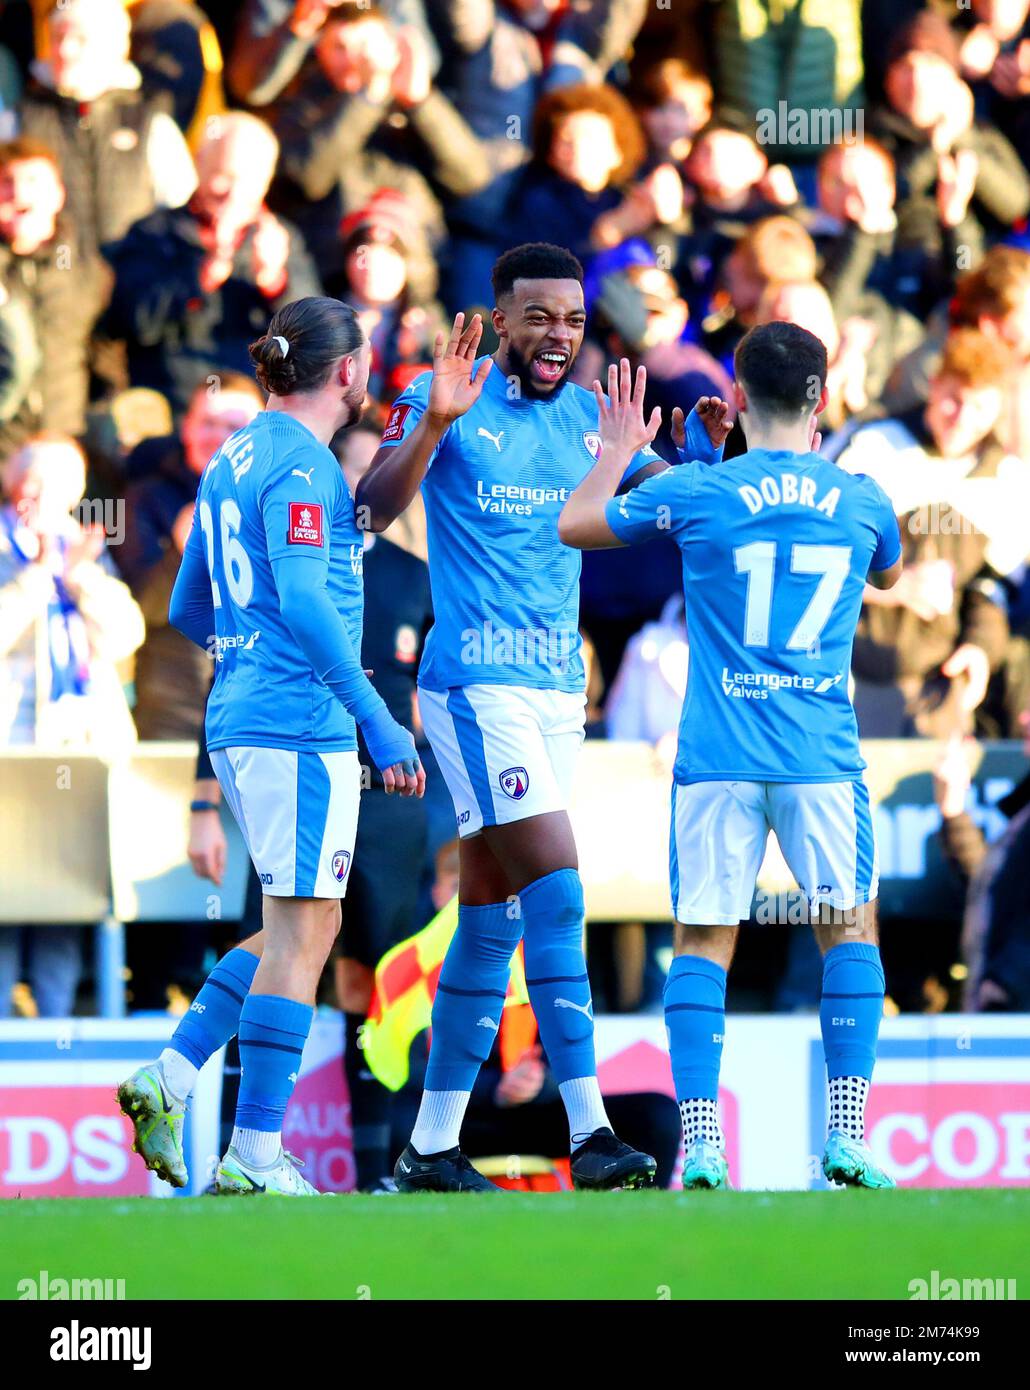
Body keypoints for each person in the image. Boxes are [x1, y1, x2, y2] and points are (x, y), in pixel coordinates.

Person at [356, 240, 719, 1193]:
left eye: (572, 318)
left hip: (560, 694)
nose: (559, 334)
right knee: (559, 895)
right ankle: (594, 1130)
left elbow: (680, 505)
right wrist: (432, 424)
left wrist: (706, 458)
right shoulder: (449, 397)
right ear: (500, 319)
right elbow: (370, 502)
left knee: (492, 922)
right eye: (539, 317)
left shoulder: (594, 425)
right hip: (474, 688)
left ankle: (430, 1148)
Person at [559, 321, 904, 1191]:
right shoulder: (861, 497)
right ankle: (849, 1138)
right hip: (820, 756)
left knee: (703, 942)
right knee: (847, 933)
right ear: (820, 400)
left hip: (717, 755)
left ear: (739, 397)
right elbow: (889, 572)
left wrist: (623, 453)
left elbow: (580, 524)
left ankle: (705, 1143)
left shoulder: (702, 494)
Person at [116, 296, 424, 1197]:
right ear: (345, 373)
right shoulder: (303, 466)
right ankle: (252, 1156)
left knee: (304, 923)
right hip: (299, 725)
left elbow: (186, 610)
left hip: (250, 716)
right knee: (304, 930)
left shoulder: (234, 455)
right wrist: (374, 716)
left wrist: (244, 657)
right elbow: (302, 600)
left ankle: (173, 1079)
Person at [104, 111, 320, 415]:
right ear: (199, 163)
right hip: (173, 406)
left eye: (247, 181)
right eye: (224, 177)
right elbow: (132, 322)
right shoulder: (153, 232)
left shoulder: (281, 239)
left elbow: (312, 337)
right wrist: (202, 277)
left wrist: (274, 280)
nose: (233, 193)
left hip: (255, 412)